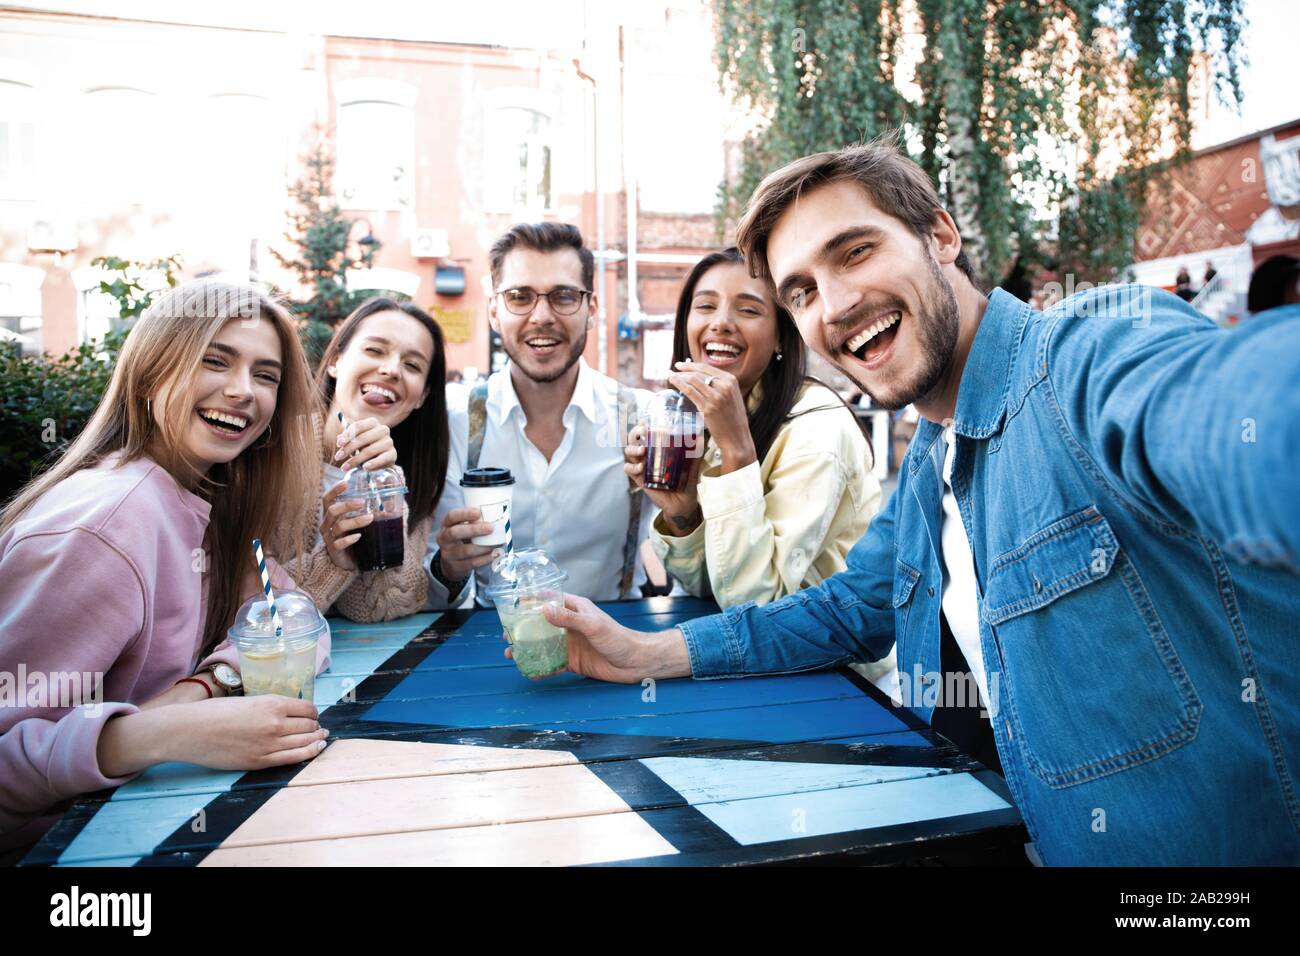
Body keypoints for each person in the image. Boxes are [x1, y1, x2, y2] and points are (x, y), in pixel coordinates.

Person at [519, 139, 1300, 866]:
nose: (836, 304)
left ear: (941, 235)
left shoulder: (1082, 354)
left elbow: (1218, 409)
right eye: (801, 291)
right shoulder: (931, 458)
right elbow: (846, 609)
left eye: (855, 251)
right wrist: (641, 653)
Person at [0, 280, 331, 853]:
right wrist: (155, 733)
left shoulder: (210, 495)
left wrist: (207, 686)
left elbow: (295, 623)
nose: (241, 391)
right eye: (216, 361)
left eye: (265, 375)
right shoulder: (101, 530)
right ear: (153, 371)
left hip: (164, 825)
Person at [627, 248, 891, 686]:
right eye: (705, 306)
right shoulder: (709, 419)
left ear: (783, 338)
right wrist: (681, 512)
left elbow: (756, 607)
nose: (721, 322)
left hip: (841, 684)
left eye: (748, 309)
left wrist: (736, 454)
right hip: (746, 672)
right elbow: (707, 590)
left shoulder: (817, 430)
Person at [426, 223, 654, 606]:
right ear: (495, 311)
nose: (542, 316)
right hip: (487, 644)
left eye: (564, 296)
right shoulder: (455, 421)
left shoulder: (641, 417)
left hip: (617, 640)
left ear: (591, 309)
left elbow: (688, 561)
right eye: (520, 297)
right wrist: (447, 568)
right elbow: (427, 583)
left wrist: (681, 519)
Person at [284, 297, 449, 622]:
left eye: (412, 366)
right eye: (374, 350)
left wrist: (383, 491)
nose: (390, 369)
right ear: (335, 360)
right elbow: (254, 606)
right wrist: (332, 561)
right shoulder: (274, 452)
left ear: (422, 397)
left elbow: (388, 608)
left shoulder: (410, 476)